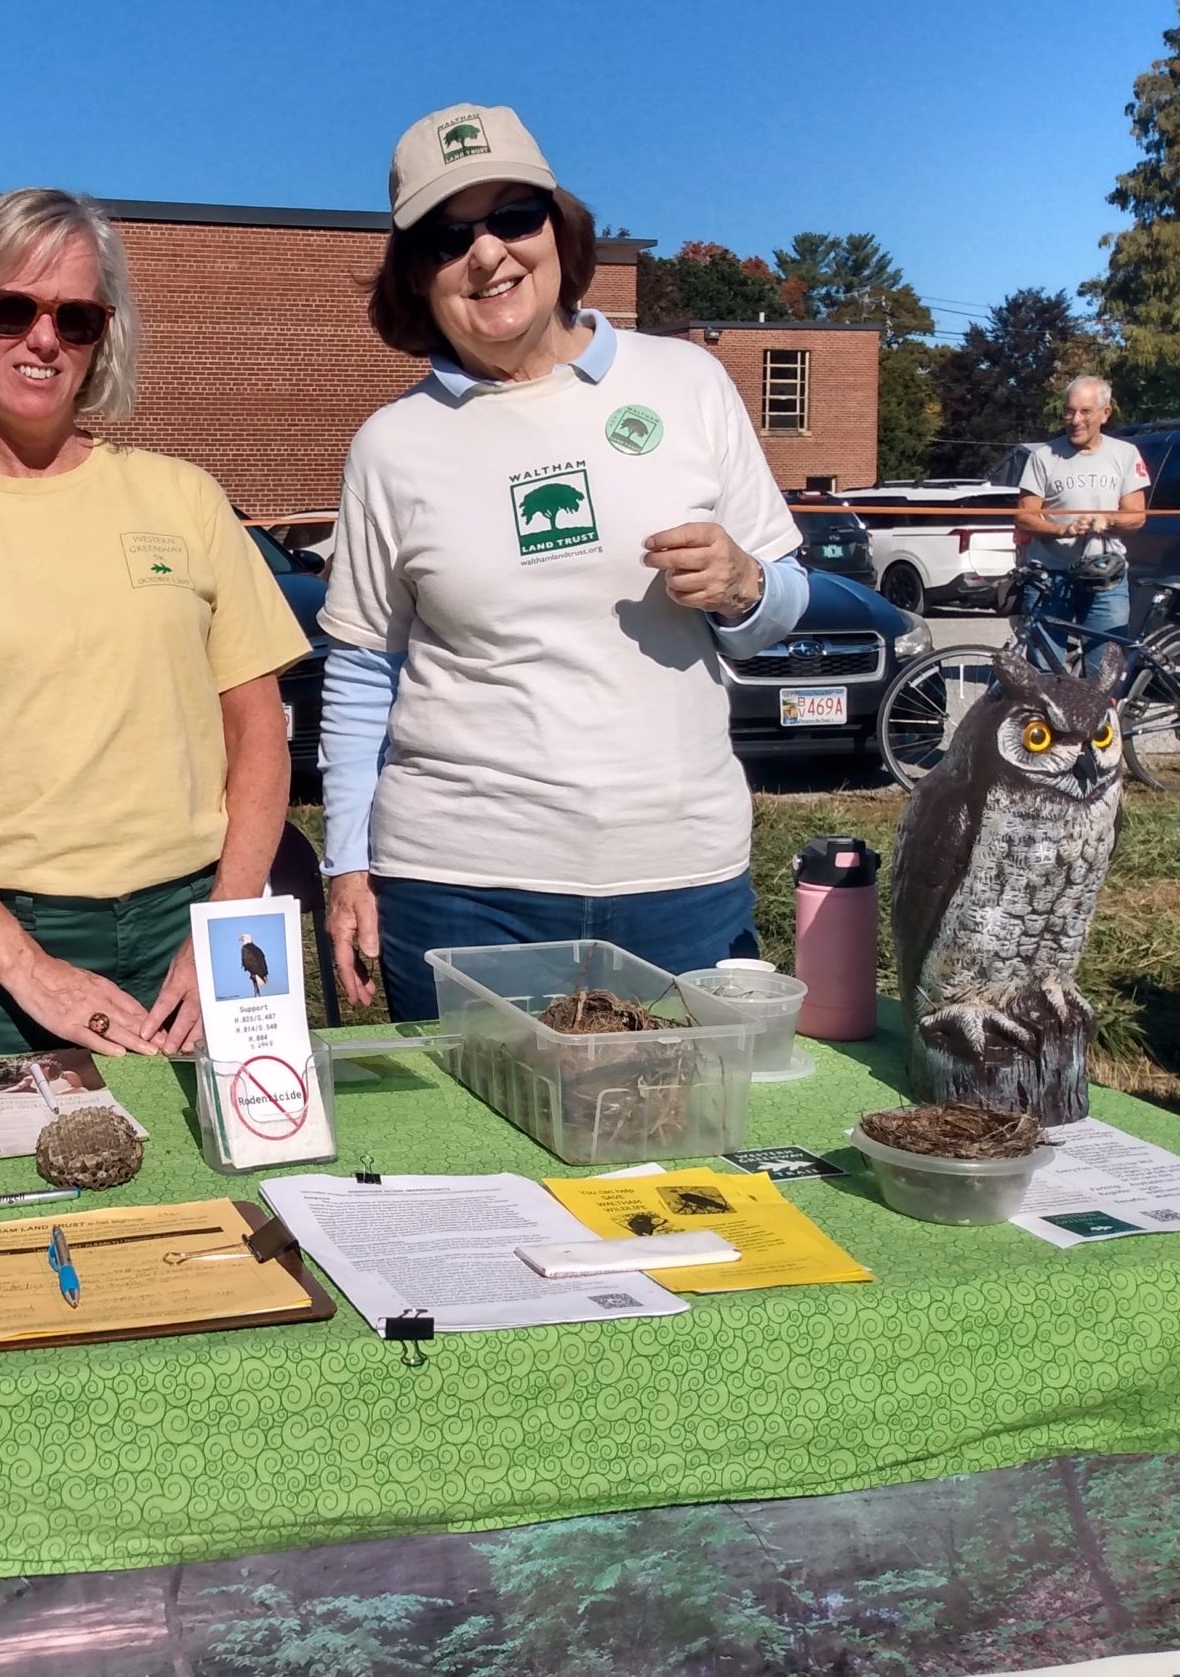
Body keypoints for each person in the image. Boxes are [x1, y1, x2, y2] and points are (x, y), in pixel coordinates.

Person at [319, 102, 813, 1023]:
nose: (489, 253)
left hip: (678, 875)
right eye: (447, 234)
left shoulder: (687, 382)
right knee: (475, 1163)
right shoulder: (393, 445)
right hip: (459, 885)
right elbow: (359, 673)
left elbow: (781, 604)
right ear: (414, 272)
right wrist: (347, 866)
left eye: (514, 216)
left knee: (682, 1149)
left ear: (560, 228)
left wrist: (744, 586)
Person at [0, 187, 310, 1058]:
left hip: (193, 924)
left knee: (234, 1185)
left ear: (100, 339)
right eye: (11, 309)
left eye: (75, 318)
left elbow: (258, 728)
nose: (42, 339)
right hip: (0, 951)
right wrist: (27, 968)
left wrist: (225, 925)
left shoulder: (185, 500)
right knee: (24, 1197)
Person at [1013, 374, 1150, 674]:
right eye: (1069, 411)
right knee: (1042, 671)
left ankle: (1100, 722)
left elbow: (1137, 516)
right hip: (1050, 578)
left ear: (1105, 414)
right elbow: (1024, 516)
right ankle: (1052, 721)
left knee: (1103, 671)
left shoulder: (1125, 455)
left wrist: (1108, 520)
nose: (1075, 419)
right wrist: (1063, 529)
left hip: (1105, 577)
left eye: (1085, 411)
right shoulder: (1043, 456)